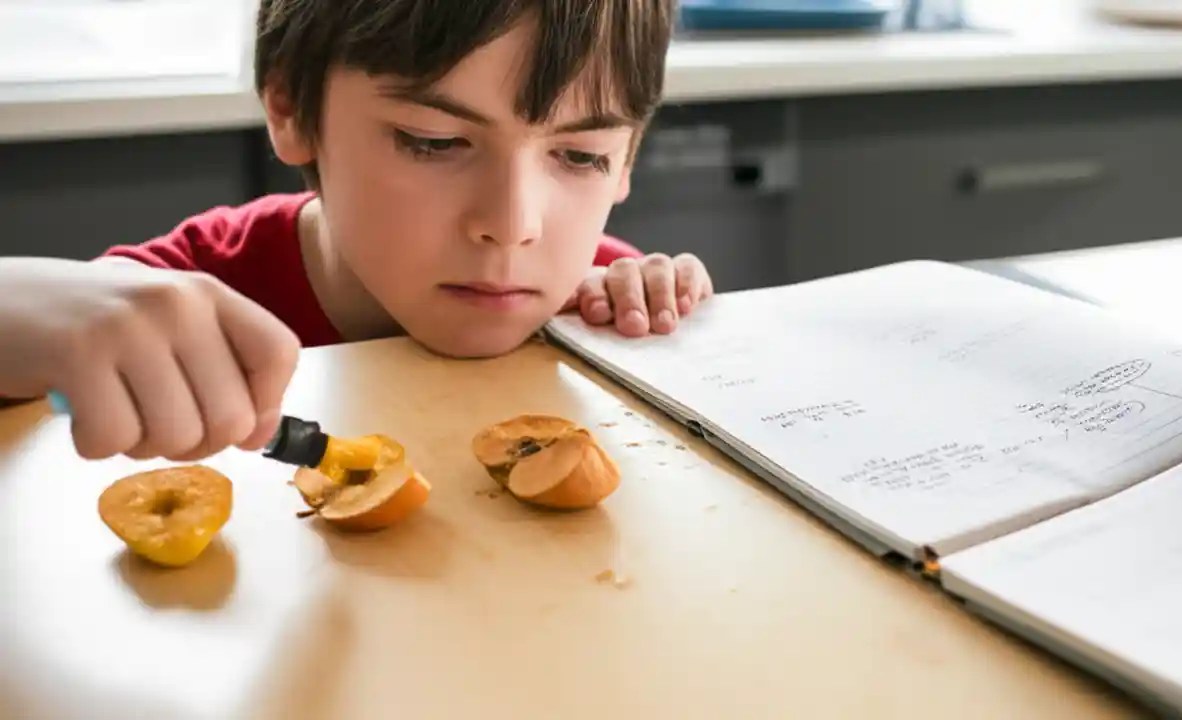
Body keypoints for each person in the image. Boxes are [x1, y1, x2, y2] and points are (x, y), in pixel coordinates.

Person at [0, 0, 713, 463]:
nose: (511, 226)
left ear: (629, 157)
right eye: (432, 141)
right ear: (289, 108)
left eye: (581, 155)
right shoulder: (188, 290)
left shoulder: (606, 301)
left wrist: (675, 335)